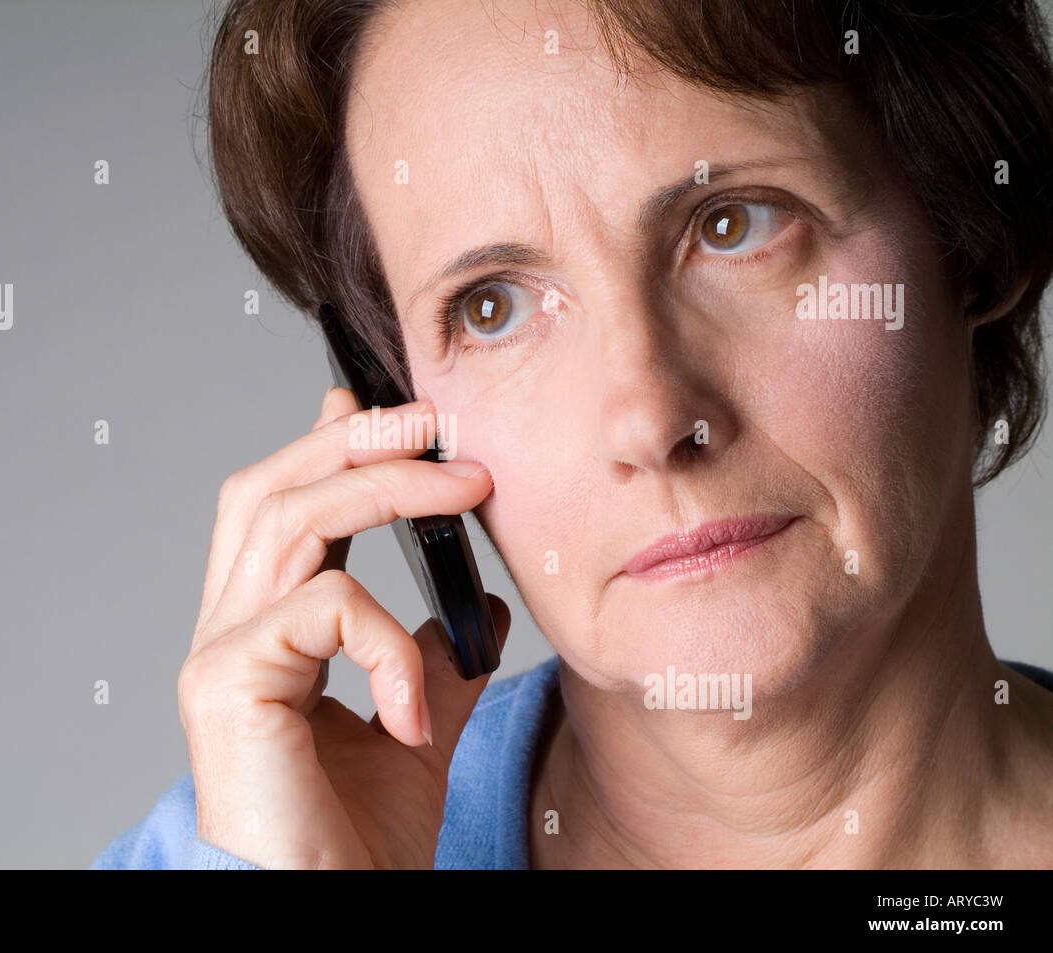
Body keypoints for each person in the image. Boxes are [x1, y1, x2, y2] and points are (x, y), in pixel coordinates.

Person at [94, 0, 1053, 868]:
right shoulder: (240, 846)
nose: (649, 419)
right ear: (398, 417)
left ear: (971, 231)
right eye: (495, 307)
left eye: (731, 224)